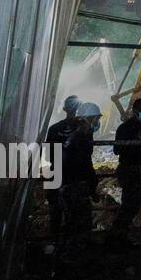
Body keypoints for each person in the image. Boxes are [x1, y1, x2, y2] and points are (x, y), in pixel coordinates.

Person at [109, 98, 141, 244]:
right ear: (135, 111)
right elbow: (137, 151)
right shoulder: (133, 128)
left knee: (129, 203)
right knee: (131, 205)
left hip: (128, 169)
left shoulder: (124, 127)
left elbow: (119, 150)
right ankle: (117, 235)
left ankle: (120, 236)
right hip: (131, 169)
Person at [59, 102, 102, 256]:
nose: (97, 122)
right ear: (87, 119)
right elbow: (85, 165)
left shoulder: (77, 135)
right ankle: (73, 255)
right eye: (96, 119)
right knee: (78, 221)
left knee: (74, 220)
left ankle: (71, 252)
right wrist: (92, 187)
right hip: (75, 185)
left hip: (70, 183)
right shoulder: (80, 139)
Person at [45, 95, 80, 244]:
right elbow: (85, 155)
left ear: (65, 108)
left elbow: (47, 156)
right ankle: (69, 245)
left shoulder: (54, 128)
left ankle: (54, 243)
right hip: (73, 175)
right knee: (73, 212)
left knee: (55, 211)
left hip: (55, 172)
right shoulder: (83, 129)